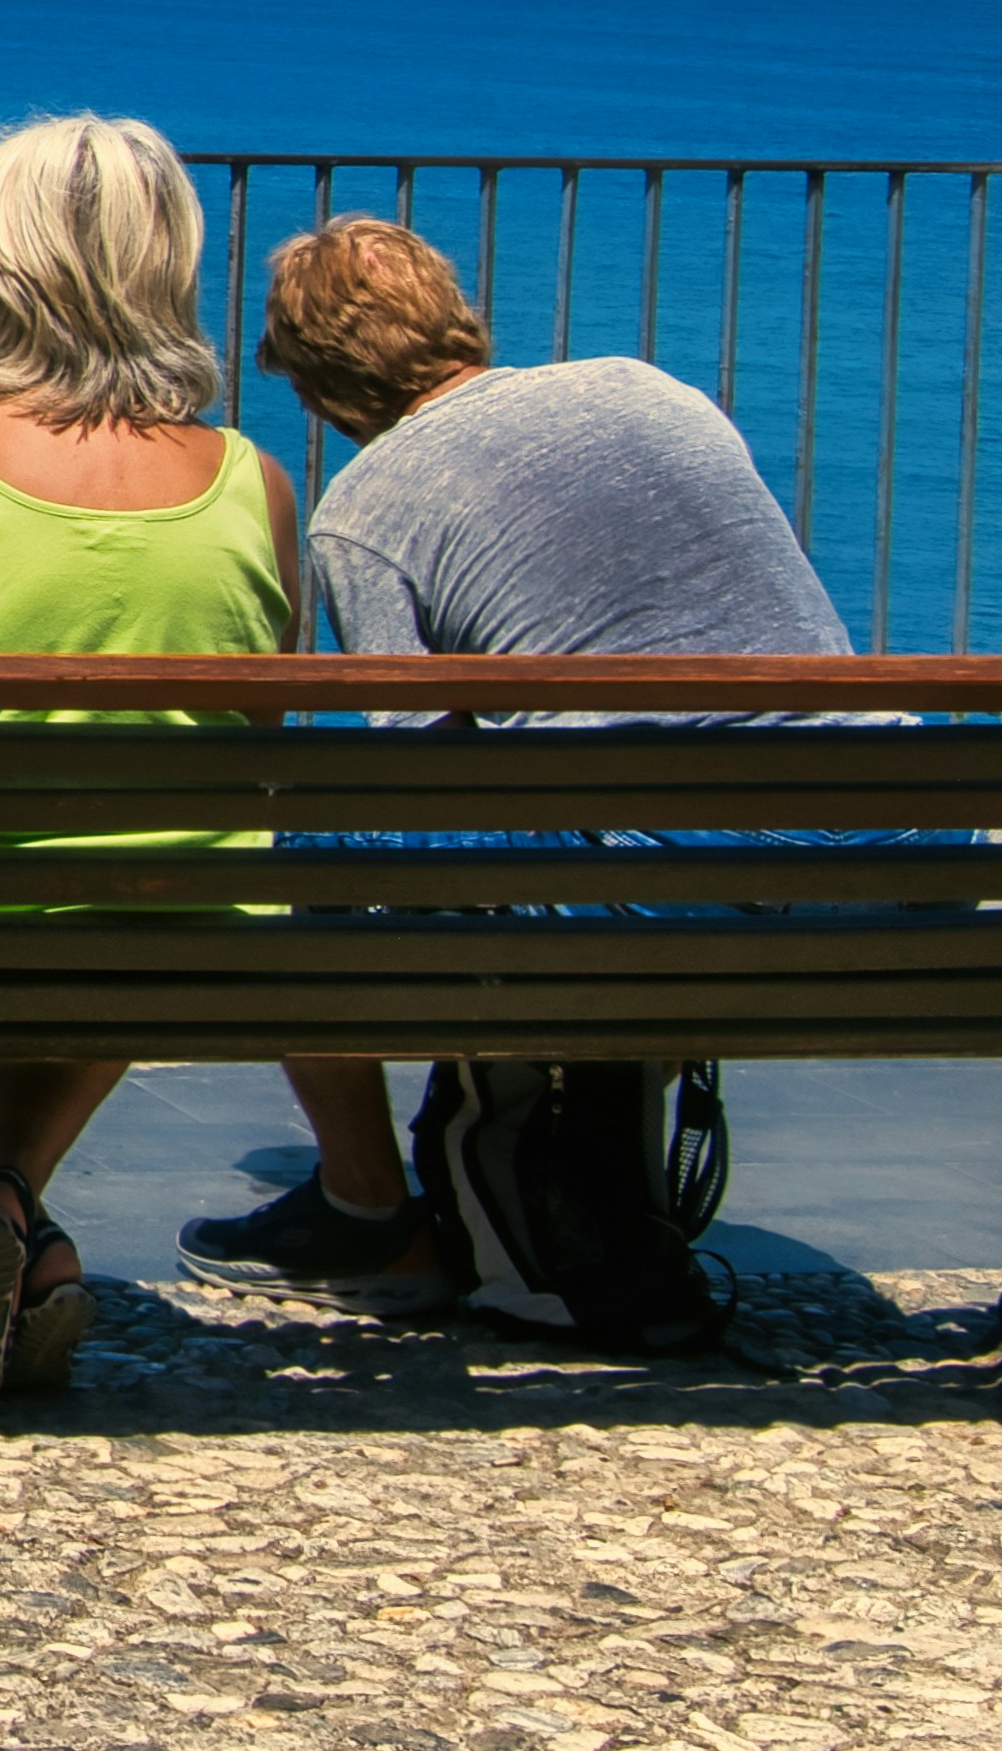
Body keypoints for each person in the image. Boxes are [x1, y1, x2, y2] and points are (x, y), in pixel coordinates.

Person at [178, 213, 875, 1303]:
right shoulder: (650, 389)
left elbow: (421, 775)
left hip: (683, 885)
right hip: (896, 853)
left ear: (321, 390)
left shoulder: (362, 511)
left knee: (296, 846)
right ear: (455, 312)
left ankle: (366, 1208)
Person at [0, 113, 300, 1408]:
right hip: (166, 940)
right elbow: (252, 746)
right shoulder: (257, 486)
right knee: (120, 885)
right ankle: (18, 1208)